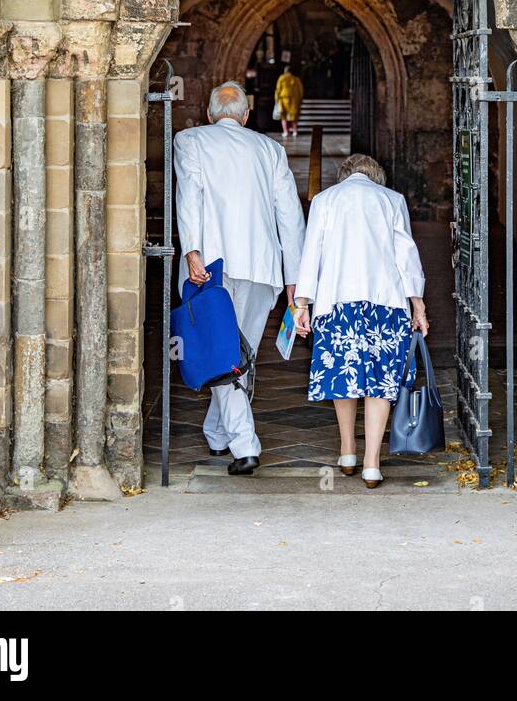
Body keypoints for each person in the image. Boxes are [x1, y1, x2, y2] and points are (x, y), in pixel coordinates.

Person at [173, 80, 305, 475]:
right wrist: (294, 279)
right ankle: (219, 434)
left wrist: (192, 248)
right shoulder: (270, 149)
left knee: (224, 355)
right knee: (235, 355)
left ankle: (245, 445)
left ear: (210, 114)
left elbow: (189, 194)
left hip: (210, 266)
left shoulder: (191, 139)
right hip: (262, 266)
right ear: (246, 116)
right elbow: (290, 216)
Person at [292, 154, 428, 488]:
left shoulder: (325, 200)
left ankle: (348, 450)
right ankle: (372, 464)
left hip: (336, 302)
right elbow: (406, 255)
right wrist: (418, 303)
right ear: (376, 176)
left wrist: (302, 304)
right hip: (385, 302)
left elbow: (311, 253)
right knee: (381, 381)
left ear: (344, 175)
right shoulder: (392, 200)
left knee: (345, 376)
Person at [274, 64, 304, 139]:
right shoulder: (296, 79)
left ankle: (286, 132)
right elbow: (301, 90)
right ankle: (295, 131)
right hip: (294, 100)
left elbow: (278, 89)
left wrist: (276, 99)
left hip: (283, 99)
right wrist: (300, 99)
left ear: (285, 71)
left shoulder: (282, 78)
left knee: (283, 116)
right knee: (294, 116)